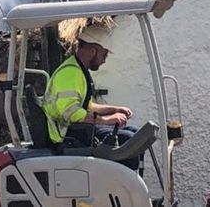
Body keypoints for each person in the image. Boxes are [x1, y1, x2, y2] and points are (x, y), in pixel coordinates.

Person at [43, 24, 140, 169]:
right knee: (129, 140)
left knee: (134, 134)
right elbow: (71, 113)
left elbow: (87, 106)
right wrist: (107, 120)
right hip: (67, 136)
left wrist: (115, 109)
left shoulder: (78, 70)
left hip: (76, 129)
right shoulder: (70, 73)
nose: (104, 59)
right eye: (104, 54)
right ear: (93, 50)